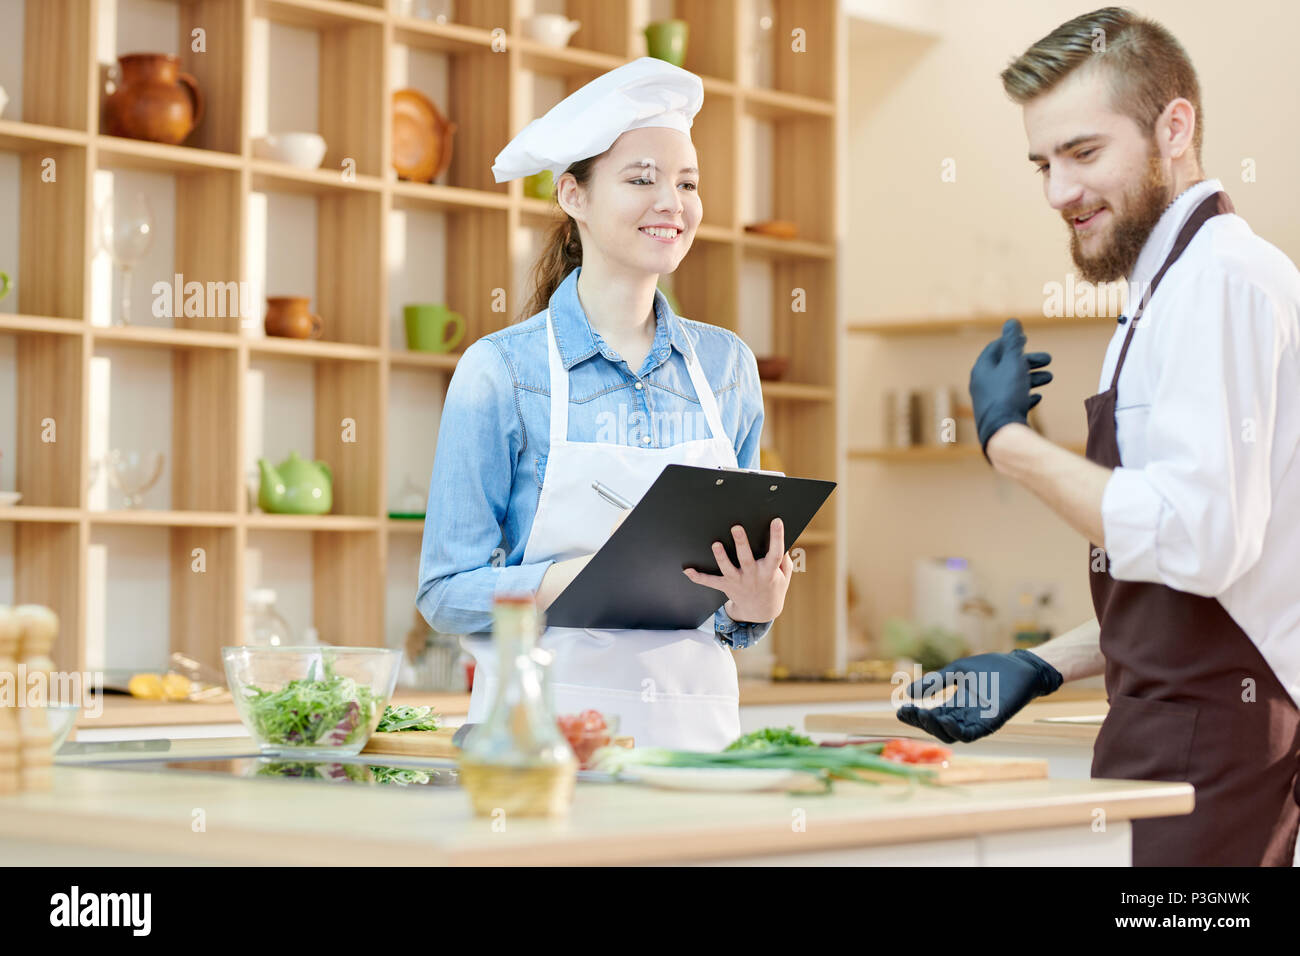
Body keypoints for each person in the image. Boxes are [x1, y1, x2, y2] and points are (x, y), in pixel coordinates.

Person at [898, 7, 1300, 866]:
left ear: (1175, 127)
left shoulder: (1219, 283)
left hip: (1213, 746)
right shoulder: (1161, 296)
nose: (1059, 192)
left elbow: (1199, 541)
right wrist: (1040, 664)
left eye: (1084, 154)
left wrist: (1008, 442)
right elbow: (1188, 578)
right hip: (1170, 731)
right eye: (1044, 163)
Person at [416, 58, 794, 751]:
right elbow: (444, 593)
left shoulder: (726, 367)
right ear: (574, 196)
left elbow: (736, 593)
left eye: (686, 183)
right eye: (641, 179)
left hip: (696, 749)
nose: (671, 203)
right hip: (541, 748)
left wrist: (758, 601)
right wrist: (572, 581)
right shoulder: (499, 370)